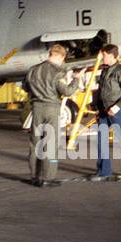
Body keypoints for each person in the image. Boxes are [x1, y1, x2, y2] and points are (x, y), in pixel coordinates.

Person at [24, 44, 80, 187]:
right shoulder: (58, 72)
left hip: (36, 108)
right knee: (50, 143)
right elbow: (67, 91)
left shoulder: (33, 69)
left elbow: (26, 87)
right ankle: (48, 178)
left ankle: (34, 177)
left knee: (35, 143)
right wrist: (76, 79)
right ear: (61, 56)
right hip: (51, 109)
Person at [89, 44, 121, 182]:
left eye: (103, 56)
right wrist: (97, 108)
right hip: (103, 112)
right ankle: (103, 170)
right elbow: (101, 91)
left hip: (116, 112)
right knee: (101, 141)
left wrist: (116, 107)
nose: (101, 58)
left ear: (111, 55)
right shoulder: (105, 71)